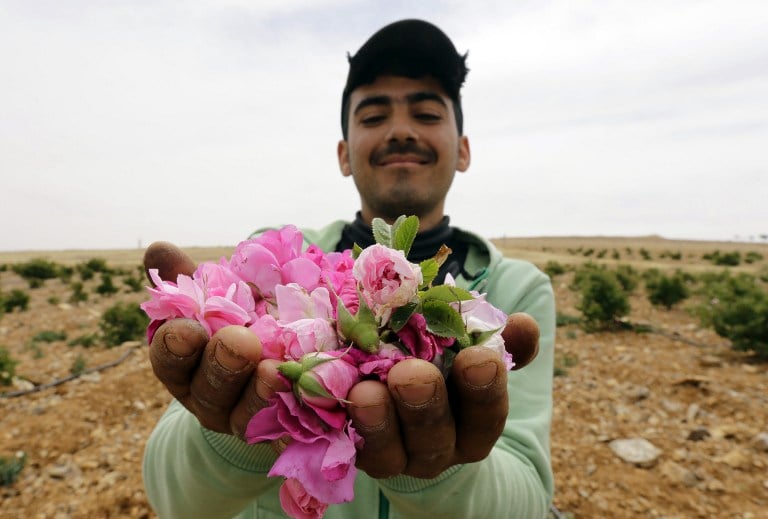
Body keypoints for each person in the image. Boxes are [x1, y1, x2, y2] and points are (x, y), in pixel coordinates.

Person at [142, 19, 556, 518]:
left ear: (463, 150)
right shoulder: (267, 268)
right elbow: (172, 499)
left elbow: (528, 503)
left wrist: (433, 462)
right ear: (343, 155)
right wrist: (247, 430)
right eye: (374, 116)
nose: (400, 131)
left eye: (426, 113)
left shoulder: (516, 289)